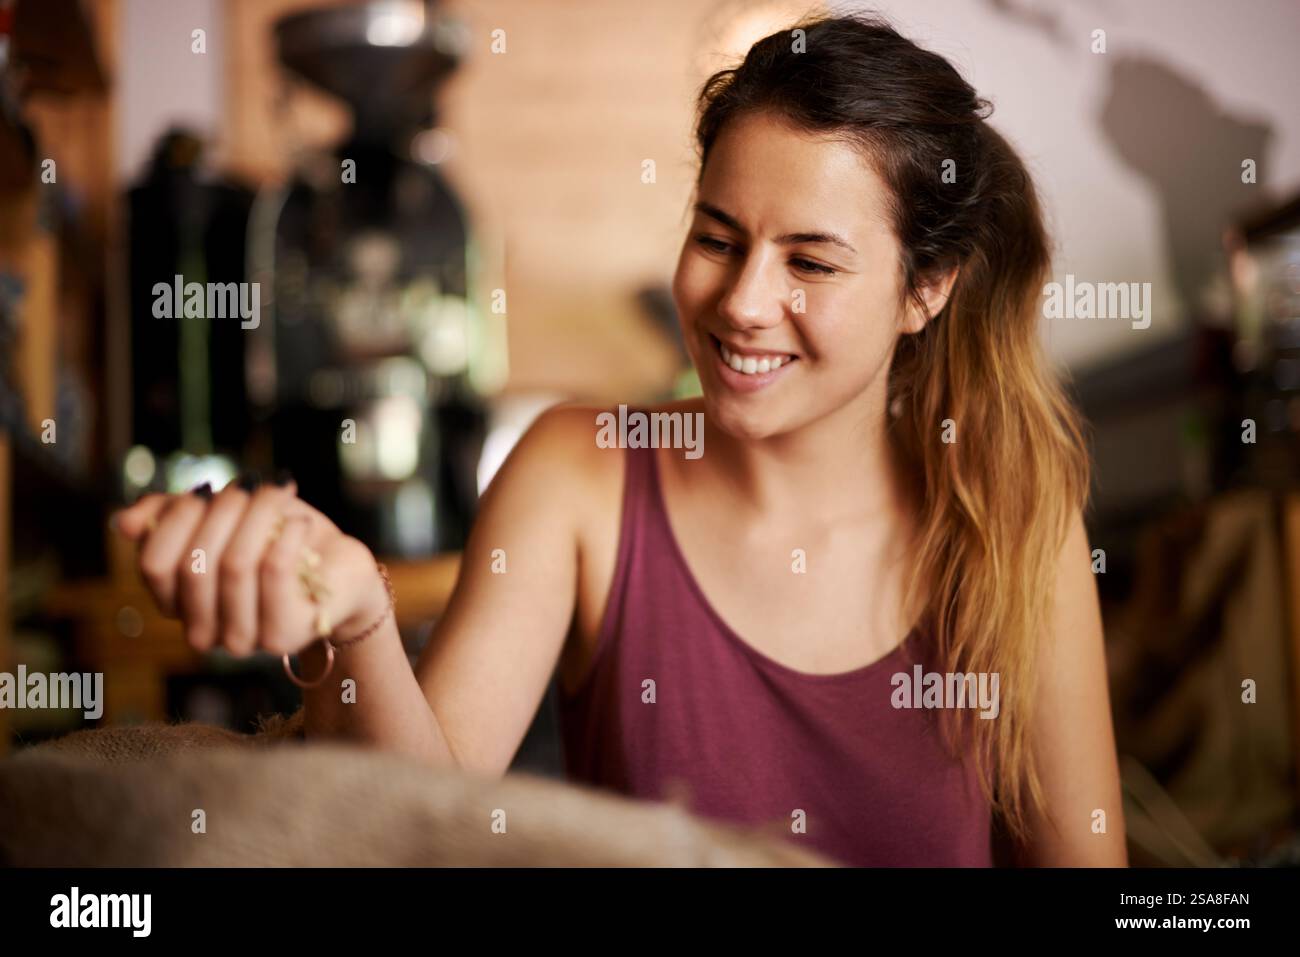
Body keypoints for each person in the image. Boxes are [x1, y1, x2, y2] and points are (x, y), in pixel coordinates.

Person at [115, 14, 1126, 867]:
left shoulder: (1010, 512)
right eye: (717, 238)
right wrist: (356, 617)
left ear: (925, 290)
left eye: (810, 263)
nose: (742, 303)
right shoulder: (577, 472)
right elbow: (415, 820)